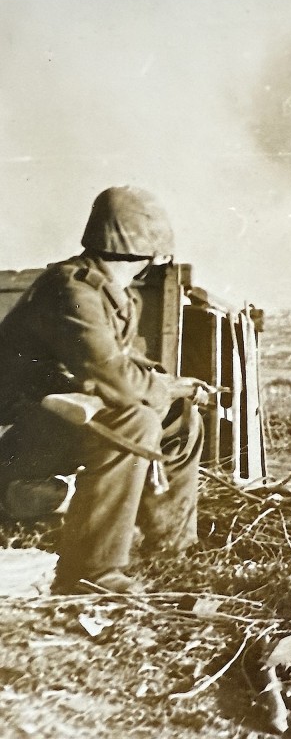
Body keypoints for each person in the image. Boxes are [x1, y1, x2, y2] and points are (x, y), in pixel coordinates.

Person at [0, 186, 213, 594]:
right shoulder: (72, 289)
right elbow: (113, 379)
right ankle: (92, 570)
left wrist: (178, 389)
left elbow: (127, 366)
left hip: (53, 422)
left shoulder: (110, 292)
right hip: (17, 434)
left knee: (180, 420)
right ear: (151, 252)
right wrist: (168, 388)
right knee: (133, 422)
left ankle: (169, 548)